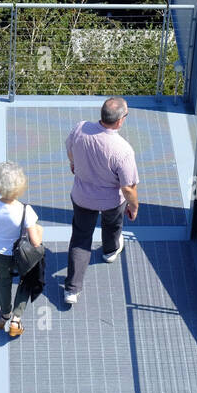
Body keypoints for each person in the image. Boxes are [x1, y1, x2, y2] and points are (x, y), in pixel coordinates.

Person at [63, 98, 139, 306]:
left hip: (82, 196)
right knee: (113, 225)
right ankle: (110, 251)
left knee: (80, 238)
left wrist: (73, 164)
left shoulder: (80, 129)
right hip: (111, 201)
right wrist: (133, 205)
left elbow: (69, 148)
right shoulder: (123, 150)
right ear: (120, 120)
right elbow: (128, 187)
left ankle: (71, 289)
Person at [0, 161, 43, 339]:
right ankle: (16, 319)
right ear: (20, 186)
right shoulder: (26, 211)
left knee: (3, 281)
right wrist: (40, 230)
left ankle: (4, 315)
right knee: (27, 280)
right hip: (19, 256)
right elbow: (36, 242)